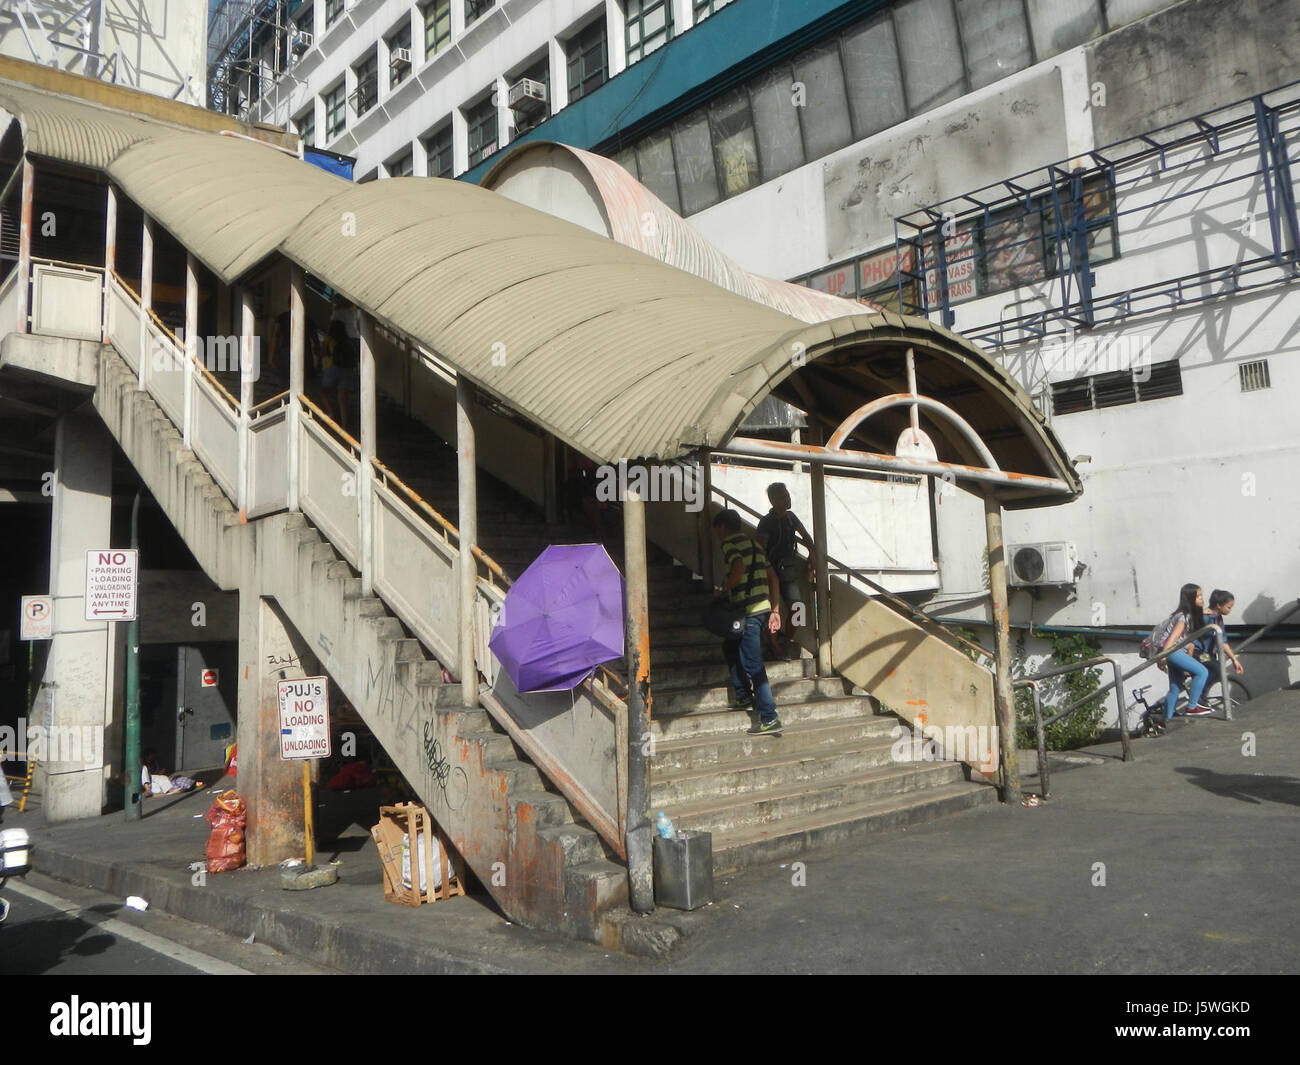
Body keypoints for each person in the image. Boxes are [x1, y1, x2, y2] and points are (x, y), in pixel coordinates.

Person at [711, 509, 783, 735]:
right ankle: (743, 695)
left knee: (753, 664)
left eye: (716, 531)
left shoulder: (729, 544)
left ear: (722, 527)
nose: (716, 535)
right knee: (730, 646)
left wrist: (724, 588)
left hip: (748, 613)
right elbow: (773, 577)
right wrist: (775, 610)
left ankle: (769, 717)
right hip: (762, 610)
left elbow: (739, 568)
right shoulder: (756, 545)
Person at [755, 482, 813, 659]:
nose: (788, 498)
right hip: (770, 573)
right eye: (783, 496)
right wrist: (768, 571)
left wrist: (813, 557)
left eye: (787, 494)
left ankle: (786, 641)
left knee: (799, 609)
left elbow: (808, 539)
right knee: (772, 610)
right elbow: (759, 551)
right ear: (773, 501)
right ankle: (774, 646)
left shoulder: (791, 518)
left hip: (788, 571)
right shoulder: (766, 522)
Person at [1157, 583, 1213, 720]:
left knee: (1175, 688)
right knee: (1202, 672)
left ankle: (1166, 720)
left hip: (1173, 651)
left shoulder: (1187, 615)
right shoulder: (1183, 617)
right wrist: (1162, 656)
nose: (1202, 599)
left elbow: (1188, 641)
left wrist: (1202, 612)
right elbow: (1173, 637)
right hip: (1171, 650)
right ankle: (1192, 707)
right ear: (1190, 599)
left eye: (1201, 596)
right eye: (1198, 596)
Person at [322, 319, 359, 433]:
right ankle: (344, 425)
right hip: (347, 371)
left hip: (332, 368)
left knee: (324, 392)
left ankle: (331, 412)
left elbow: (324, 353)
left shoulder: (329, 340)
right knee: (343, 399)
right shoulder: (349, 342)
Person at [1197, 589, 1245, 677]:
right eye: (1228, 607)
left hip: (1209, 655)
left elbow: (1223, 642)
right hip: (1198, 654)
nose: (1230, 610)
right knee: (1218, 670)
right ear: (1218, 605)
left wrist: (1234, 659)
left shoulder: (1218, 618)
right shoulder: (1205, 617)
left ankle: (1201, 689)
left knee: (1214, 673)